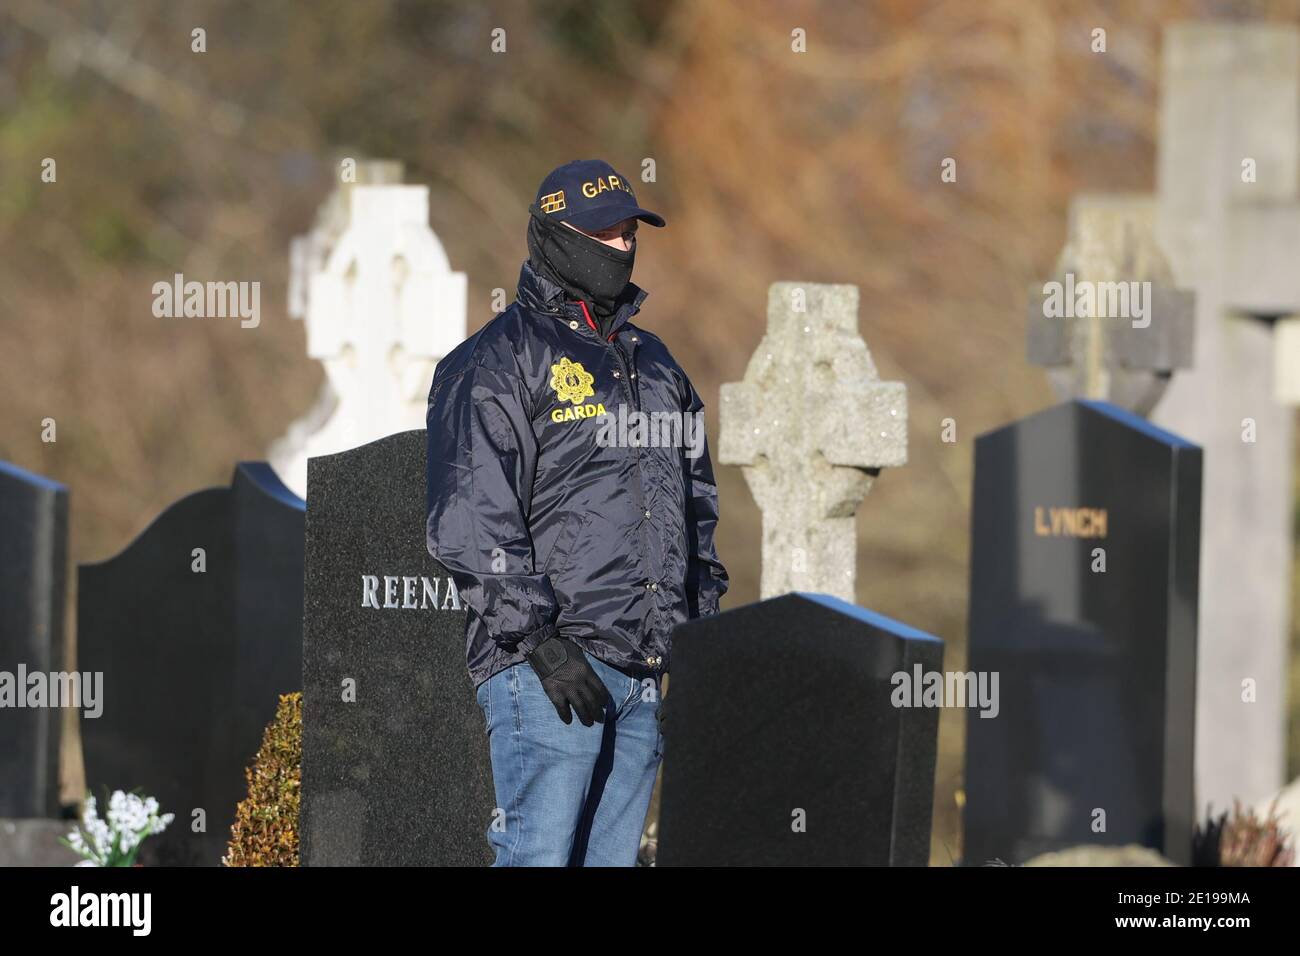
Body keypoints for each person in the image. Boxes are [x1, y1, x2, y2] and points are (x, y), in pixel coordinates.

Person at [425, 158, 728, 866]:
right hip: (550, 669)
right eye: (604, 233)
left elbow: (698, 515)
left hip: (646, 673)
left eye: (629, 232)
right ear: (554, 236)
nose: (622, 247)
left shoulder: (659, 368)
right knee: (538, 857)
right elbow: (471, 519)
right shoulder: (496, 360)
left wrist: (700, 653)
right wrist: (539, 642)